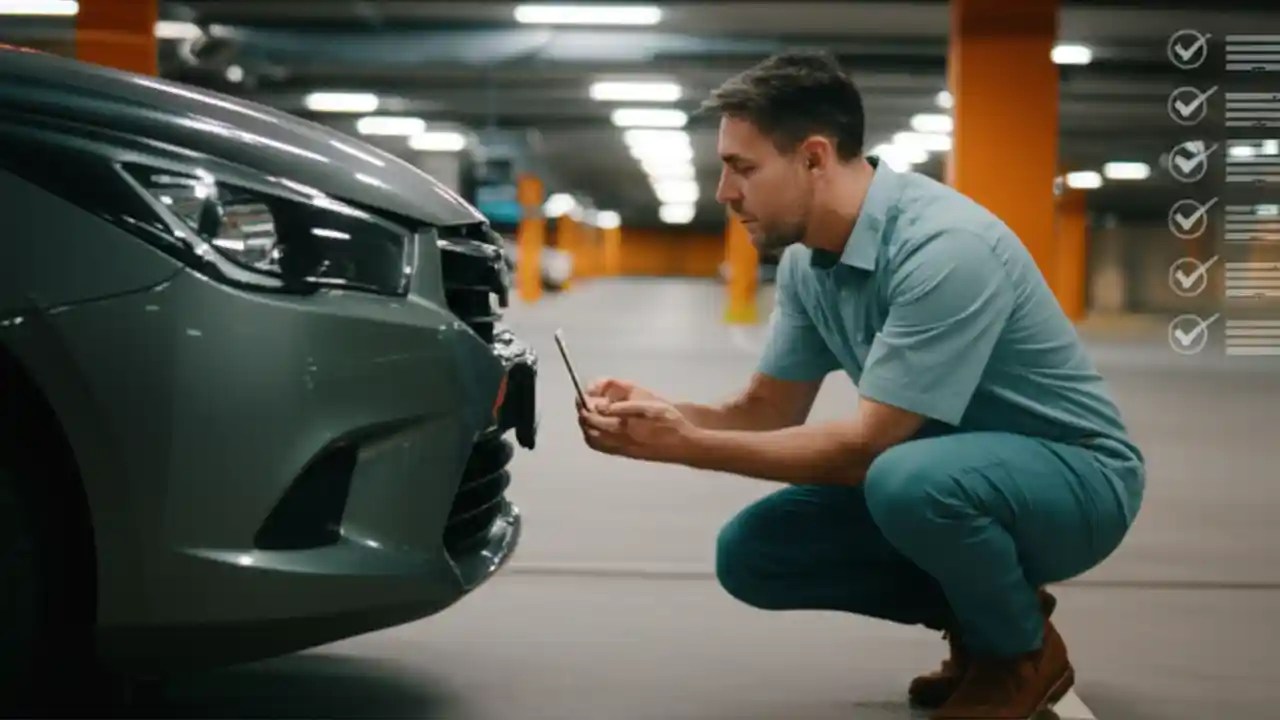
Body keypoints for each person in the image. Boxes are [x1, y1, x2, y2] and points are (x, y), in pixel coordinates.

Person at [576, 50, 1145, 719]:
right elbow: (766, 410)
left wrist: (685, 446)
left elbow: (866, 451)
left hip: (1076, 484)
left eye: (742, 168)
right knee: (755, 554)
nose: (724, 193)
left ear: (814, 157)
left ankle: (1018, 656)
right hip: (950, 479)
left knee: (904, 479)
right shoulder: (808, 265)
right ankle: (991, 617)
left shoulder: (942, 248)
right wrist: (660, 409)